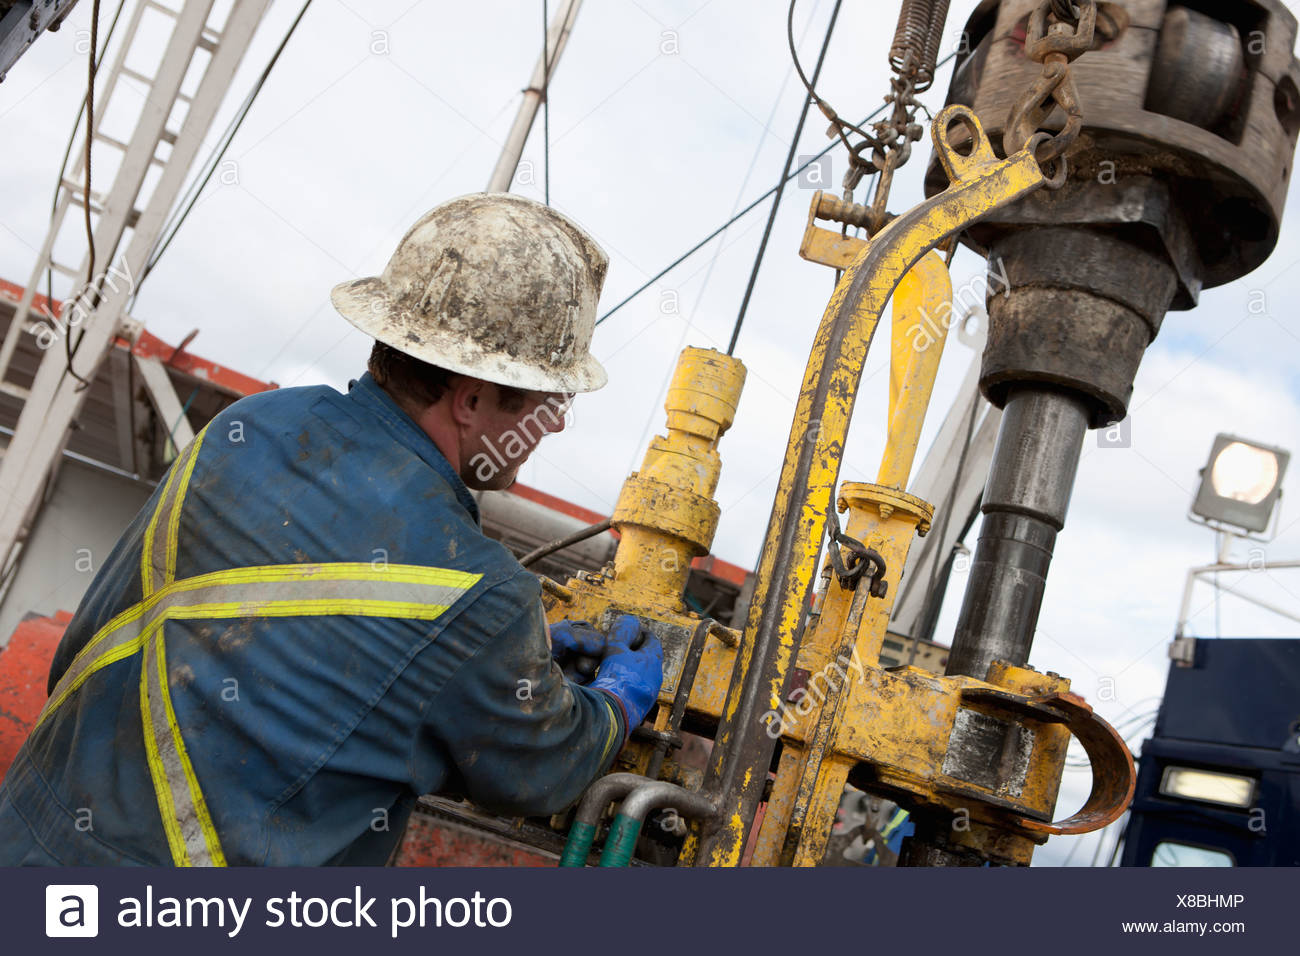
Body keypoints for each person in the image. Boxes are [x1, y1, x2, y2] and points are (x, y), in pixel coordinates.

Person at [0, 193, 663, 866]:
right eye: (551, 403)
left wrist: (496, 663)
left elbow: (102, 642)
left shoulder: (244, 428)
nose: (550, 426)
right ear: (470, 400)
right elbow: (539, 768)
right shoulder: (479, 594)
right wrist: (613, 701)